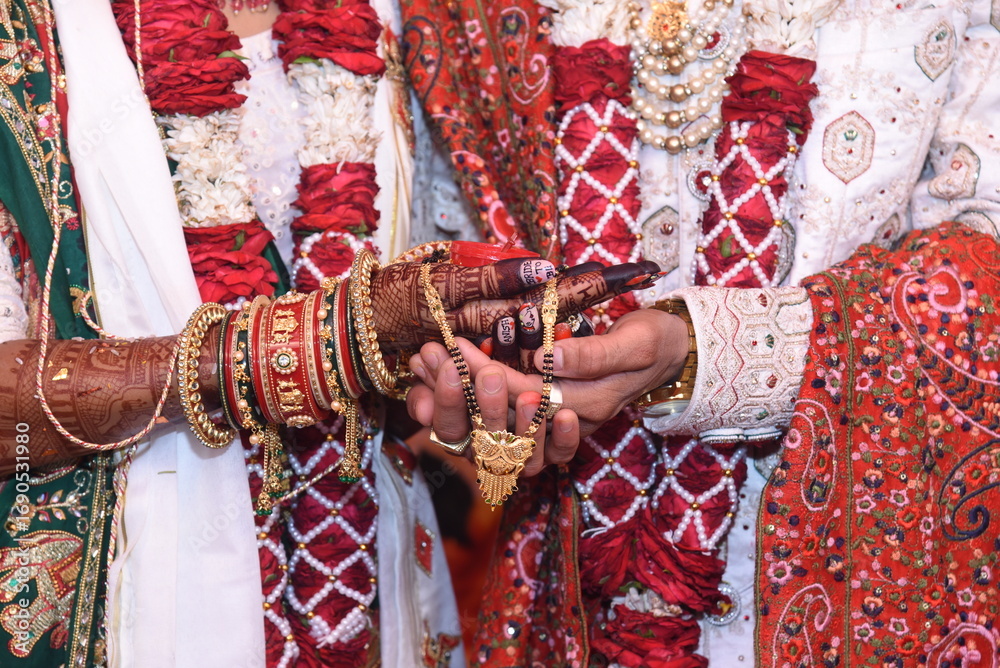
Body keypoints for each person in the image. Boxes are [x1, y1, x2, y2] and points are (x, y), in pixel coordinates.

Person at [0, 1, 656, 666]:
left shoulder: (391, 16)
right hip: (136, 597)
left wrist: (474, 377)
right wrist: (320, 345)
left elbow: (412, 296)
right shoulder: (30, 29)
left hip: (366, 560)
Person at [403, 0, 1000, 664]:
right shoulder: (458, 14)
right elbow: (437, 259)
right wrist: (477, 380)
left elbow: (982, 277)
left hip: (847, 575)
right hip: (566, 581)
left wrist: (710, 354)